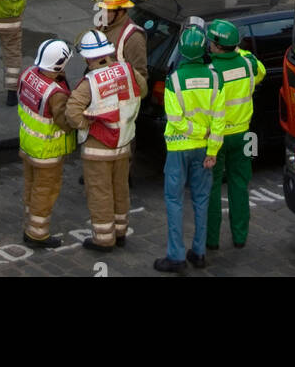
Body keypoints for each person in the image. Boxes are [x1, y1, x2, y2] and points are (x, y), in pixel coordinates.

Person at [154, 24, 226, 274]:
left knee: (174, 201)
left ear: (182, 51)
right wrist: (212, 150)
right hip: (204, 150)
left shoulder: (174, 81)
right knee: (201, 200)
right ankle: (199, 252)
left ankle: (175, 256)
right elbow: (219, 119)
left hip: (178, 148)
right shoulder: (216, 79)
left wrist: (197, 132)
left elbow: (175, 120)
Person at [65, 29, 143, 251]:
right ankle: (120, 232)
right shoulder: (128, 71)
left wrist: (86, 125)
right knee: (121, 190)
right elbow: (142, 90)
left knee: (100, 193)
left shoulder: (88, 83)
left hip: (98, 149)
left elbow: (72, 112)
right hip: (124, 144)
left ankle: (103, 238)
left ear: (88, 58)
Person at [204, 19, 265, 253]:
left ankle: (212, 240)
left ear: (218, 46)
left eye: (212, 41)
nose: (209, 44)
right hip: (243, 135)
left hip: (216, 139)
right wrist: (239, 50)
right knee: (240, 185)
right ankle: (240, 237)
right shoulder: (248, 65)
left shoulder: (210, 72)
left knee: (212, 189)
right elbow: (260, 69)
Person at [18, 38, 77, 249]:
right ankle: (37, 234)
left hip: (28, 145)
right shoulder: (56, 93)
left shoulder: (27, 75)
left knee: (31, 187)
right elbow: (66, 122)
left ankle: (29, 224)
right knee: (45, 191)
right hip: (48, 153)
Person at [91, 0, 149, 93]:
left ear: (121, 11)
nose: (103, 14)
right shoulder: (102, 25)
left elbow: (140, 78)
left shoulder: (134, 38)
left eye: (108, 11)